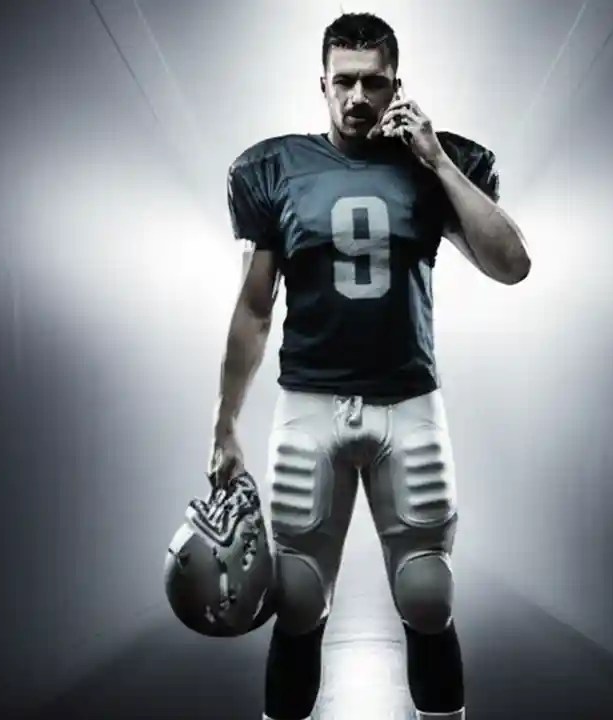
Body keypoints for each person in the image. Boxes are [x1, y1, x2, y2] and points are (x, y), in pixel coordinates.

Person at [208, 12, 530, 720]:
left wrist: (437, 159)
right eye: (345, 81)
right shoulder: (276, 170)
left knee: (427, 595)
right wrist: (224, 424)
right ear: (322, 84)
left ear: (397, 87)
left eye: (374, 82)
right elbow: (255, 307)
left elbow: (513, 265)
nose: (358, 97)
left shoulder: (436, 164)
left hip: (408, 400)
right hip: (310, 403)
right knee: (295, 600)